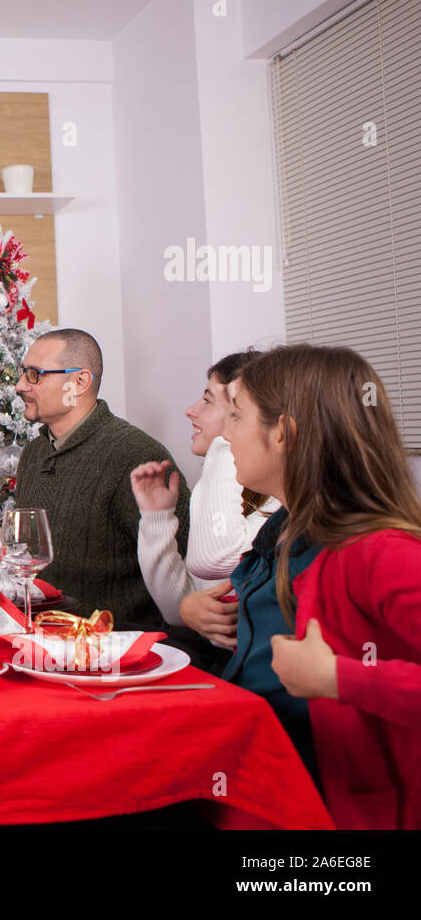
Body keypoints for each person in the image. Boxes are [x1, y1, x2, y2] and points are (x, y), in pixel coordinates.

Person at [183, 345, 420, 827]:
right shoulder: (286, 529)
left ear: (284, 434)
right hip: (261, 774)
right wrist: (193, 609)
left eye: (237, 415)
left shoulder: (382, 552)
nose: (226, 433)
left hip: (325, 805)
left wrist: (339, 678)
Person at [12, 328, 191, 626]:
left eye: (34, 375)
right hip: (40, 640)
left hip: (112, 650)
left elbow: (183, 575)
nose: (20, 386)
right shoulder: (34, 452)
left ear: (79, 381)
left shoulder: (136, 455)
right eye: (23, 373)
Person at [131, 351, 279, 658]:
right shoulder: (229, 491)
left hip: (262, 673)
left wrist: (225, 442)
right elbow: (178, 609)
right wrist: (157, 519)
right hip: (228, 666)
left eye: (208, 400)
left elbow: (211, 561)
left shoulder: (278, 504)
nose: (190, 410)